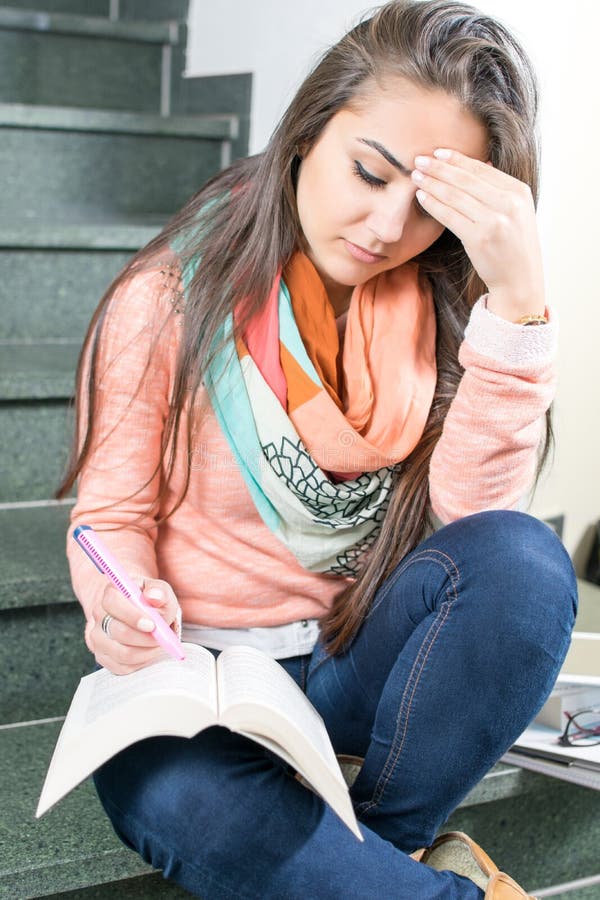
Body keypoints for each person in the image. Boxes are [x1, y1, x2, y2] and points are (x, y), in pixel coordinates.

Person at [58, 1, 578, 896]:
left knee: (526, 565)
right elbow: (111, 517)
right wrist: (120, 597)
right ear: (308, 130)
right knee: (183, 799)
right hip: (204, 679)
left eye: (424, 210)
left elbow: (474, 528)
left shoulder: (444, 313)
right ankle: (419, 874)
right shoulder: (167, 299)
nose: (385, 228)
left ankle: (365, 850)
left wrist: (518, 300)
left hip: (351, 665)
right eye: (368, 174)